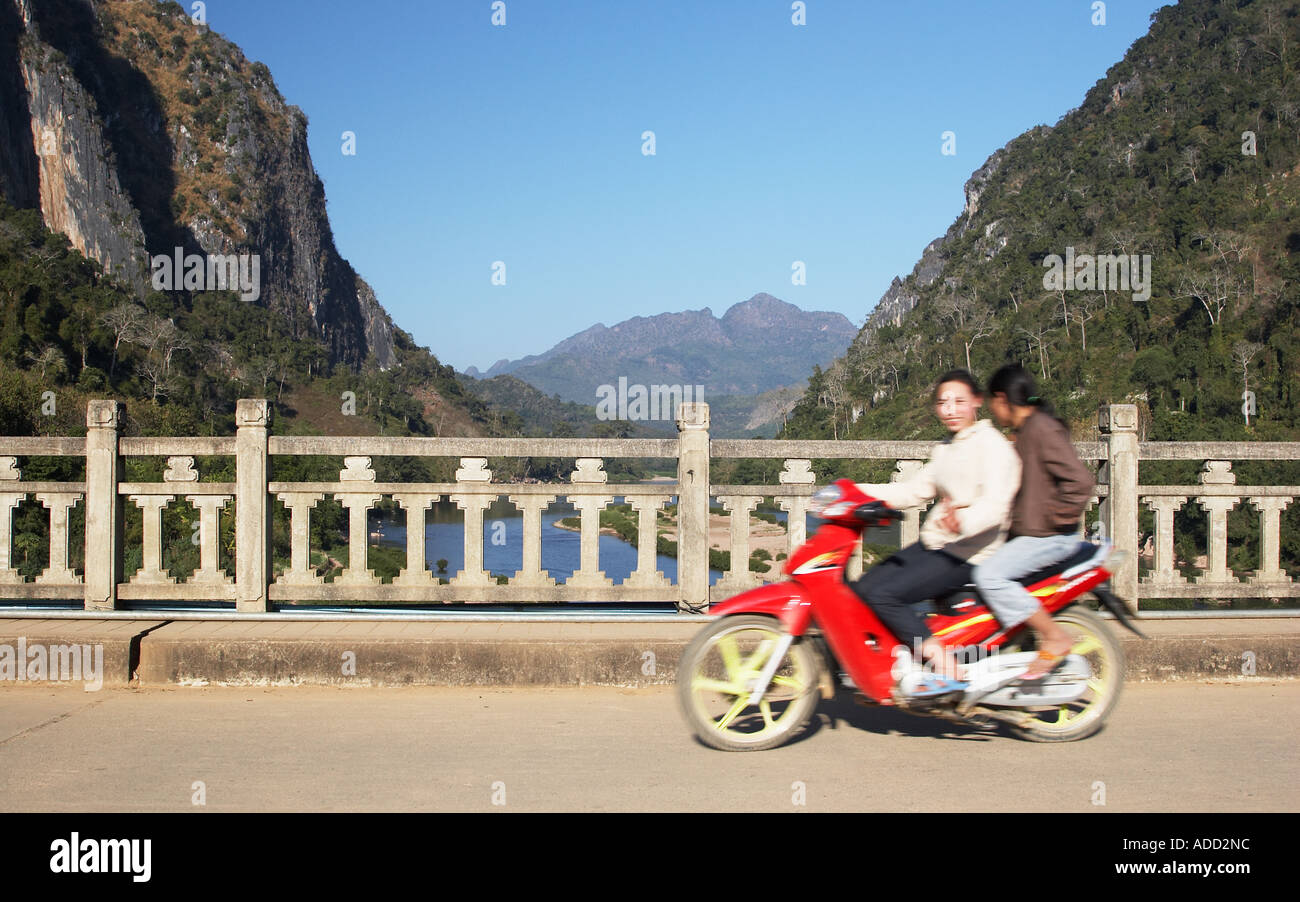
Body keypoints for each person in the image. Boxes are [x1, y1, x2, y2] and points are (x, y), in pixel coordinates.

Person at [852, 370, 1021, 695]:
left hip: (969, 553)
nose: (950, 409)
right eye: (943, 402)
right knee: (865, 587)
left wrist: (964, 521)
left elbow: (997, 505)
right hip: (938, 544)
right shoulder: (946, 448)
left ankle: (944, 664)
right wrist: (853, 491)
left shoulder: (993, 446)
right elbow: (914, 490)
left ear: (977, 402)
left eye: (959, 401)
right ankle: (894, 662)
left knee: (884, 595)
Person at [972, 364, 1096, 679]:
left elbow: (1081, 482)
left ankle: (1054, 636)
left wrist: (1051, 520)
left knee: (990, 577)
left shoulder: (1041, 428)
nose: (993, 412)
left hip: (1049, 537)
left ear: (1002, 399)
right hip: (1030, 536)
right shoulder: (1025, 430)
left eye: (992, 404)